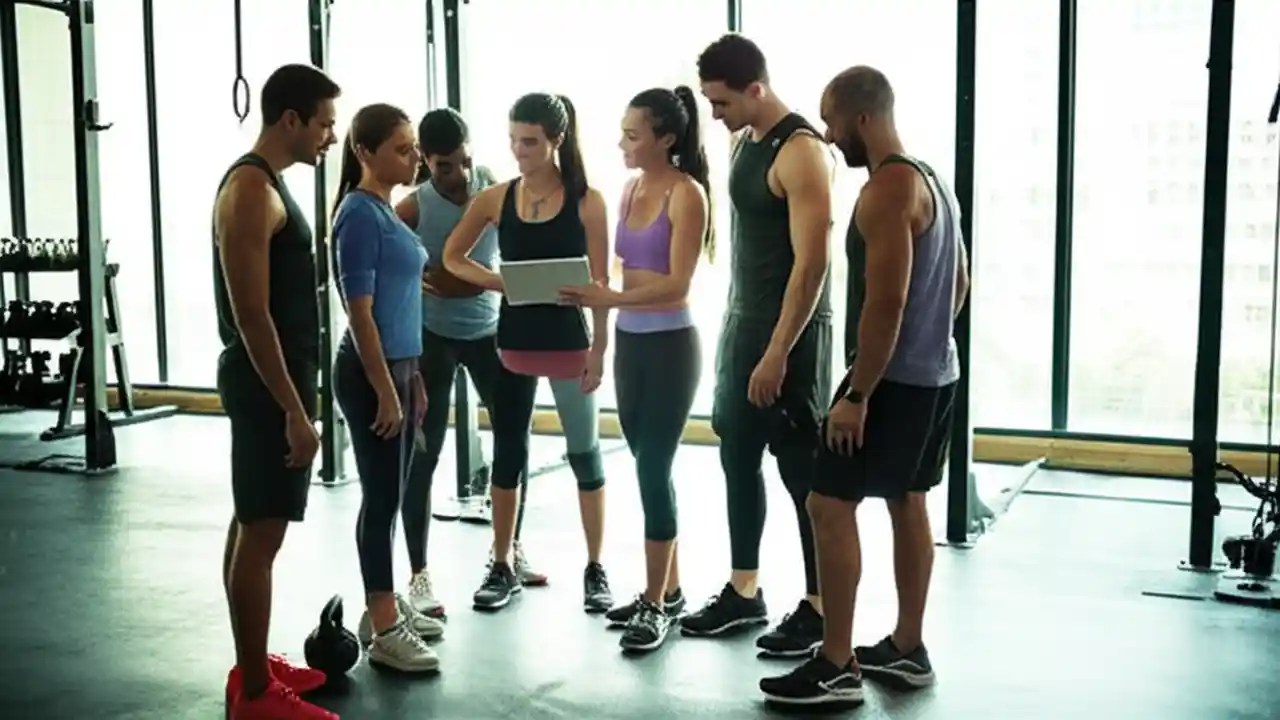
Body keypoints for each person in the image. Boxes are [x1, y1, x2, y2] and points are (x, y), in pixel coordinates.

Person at [759, 66, 966, 705]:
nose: (829, 134)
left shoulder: (885, 190)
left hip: (891, 383)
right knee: (908, 499)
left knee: (828, 504)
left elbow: (887, 303)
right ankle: (907, 648)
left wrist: (857, 394)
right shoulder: (932, 180)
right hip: (936, 373)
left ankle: (837, 663)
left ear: (864, 119)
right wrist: (926, 347)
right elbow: (957, 286)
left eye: (833, 121)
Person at [392, 108, 602, 613]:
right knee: (427, 451)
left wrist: (490, 281)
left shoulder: (511, 188)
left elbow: (594, 273)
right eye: (444, 166)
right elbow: (394, 250)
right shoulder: (417, 205)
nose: (458, 175)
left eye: (464, 161)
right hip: (438, 336)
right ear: (427, 162)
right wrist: (414, 276)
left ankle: (514, 550)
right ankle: (421, 573)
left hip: (494, 331)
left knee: (528, 444)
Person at [681, 33, 834, 659]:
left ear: (756, 89)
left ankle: (823, 608)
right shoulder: (744, 138)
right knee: (736, 456)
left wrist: (777, 353)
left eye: (721, 102)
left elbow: (811, 266)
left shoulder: (802, 152)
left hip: (789, 337)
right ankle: (745, 591)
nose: (715, 114)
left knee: (803, 474)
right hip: (742, 325)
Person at [559, 86, 711, 652]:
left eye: (632, 133)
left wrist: (608, 300)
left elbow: (676, 284)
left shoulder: (686, 194)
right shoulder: (626, 190)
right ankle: (667, 592)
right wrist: (600, 333)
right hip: (631, 346)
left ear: (665, 138)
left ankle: (655, 604)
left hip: (672, 347)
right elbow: (618, 277)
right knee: (649, 466)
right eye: (622, 131)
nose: (622, 142)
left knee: (654, 469)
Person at [213, 64, 340, 720]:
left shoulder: (267, 188)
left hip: (278, 383)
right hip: (268, 389)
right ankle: (258, 697)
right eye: (323, 124)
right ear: (289, 119)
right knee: (262, 533)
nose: (329, 137)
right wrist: (293, 411)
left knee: (252, 519)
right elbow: (252, 315)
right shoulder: (250, 191)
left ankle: (253, 667)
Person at [330, 102, 443, 674]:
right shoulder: (358, 215)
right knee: (381, 500)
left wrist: (412, 377)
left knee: (390, 497)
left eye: (414, 147)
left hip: (400, 368)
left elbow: (402, 305)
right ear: (365, 153)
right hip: (369, 371)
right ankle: (383, 628)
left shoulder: (386, 213)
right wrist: (384, 389)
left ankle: (382, 603)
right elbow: (361, 315)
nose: (414, 157)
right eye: (402, 148)